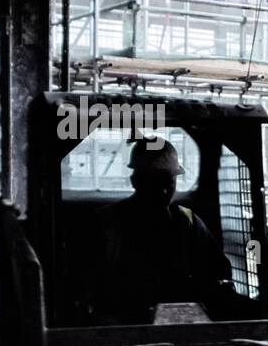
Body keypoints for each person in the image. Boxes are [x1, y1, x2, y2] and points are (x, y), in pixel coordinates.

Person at [86, 137, 235, 325]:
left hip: (178, 322)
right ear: (136, 181)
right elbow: (85, 289)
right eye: (155, 183)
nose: (164, 191)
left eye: (169, 182)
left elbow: (219, 272)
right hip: (121, 326)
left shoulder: (187, 221)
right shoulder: (103, 224)